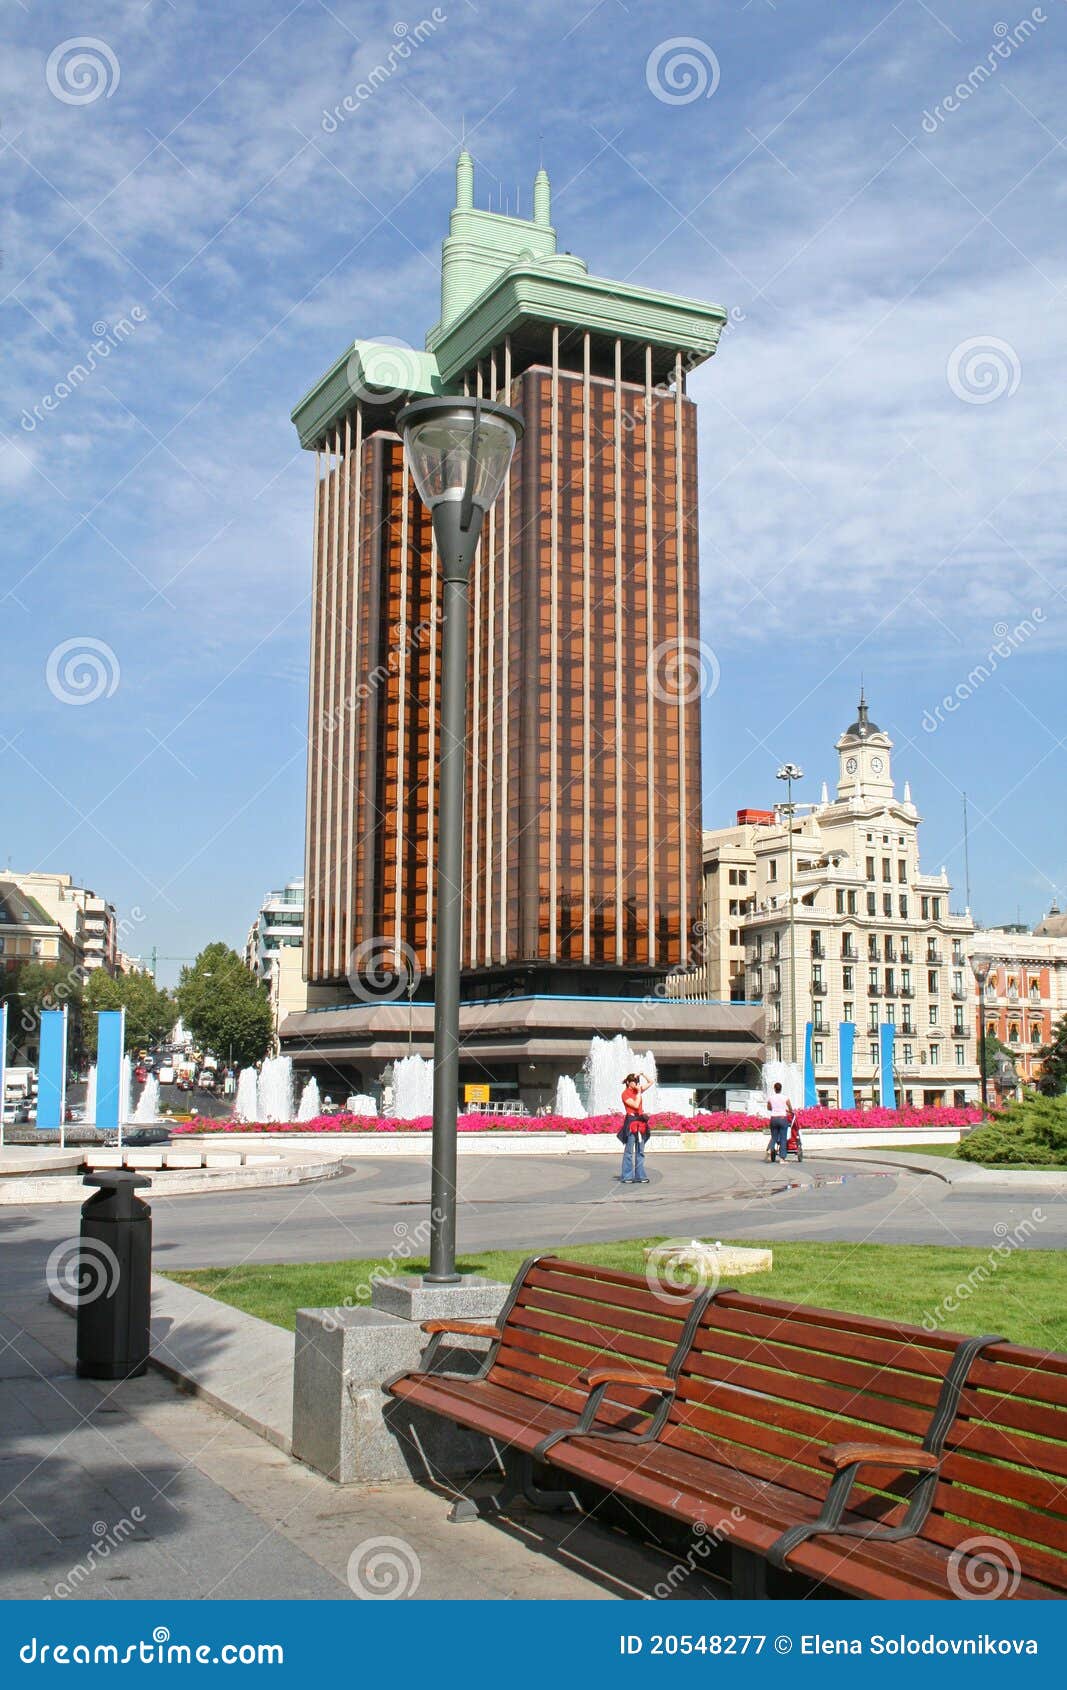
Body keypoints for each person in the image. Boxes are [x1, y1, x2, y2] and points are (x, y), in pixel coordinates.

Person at [618, 1071, 653, 1184]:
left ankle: (640, 1176)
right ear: (628, 1082)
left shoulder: (637, 1090)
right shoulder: (625, 1094)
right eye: (633, 1081)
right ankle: (627, 1176)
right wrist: (638, 1092)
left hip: (641, 1122)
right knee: (629, 1150)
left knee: (640, 1150)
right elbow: (636, 1105)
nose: (635, 1083)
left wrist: (642, 1074)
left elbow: (651, 1082)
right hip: (631, 1122)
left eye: (636, 1081)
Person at [766, 1081, 793, 1163]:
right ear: (781, 1089)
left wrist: (775, 1109)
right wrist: (788, 1111)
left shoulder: (771, 1098)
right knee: (783, 1139)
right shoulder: (785, 1097)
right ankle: (782, 1159)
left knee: (774, 1137)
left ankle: (770, 1149)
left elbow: (769, 1108)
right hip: (782, 1118)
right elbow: (790, 1107)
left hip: (774, 1118)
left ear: (774, 1089)